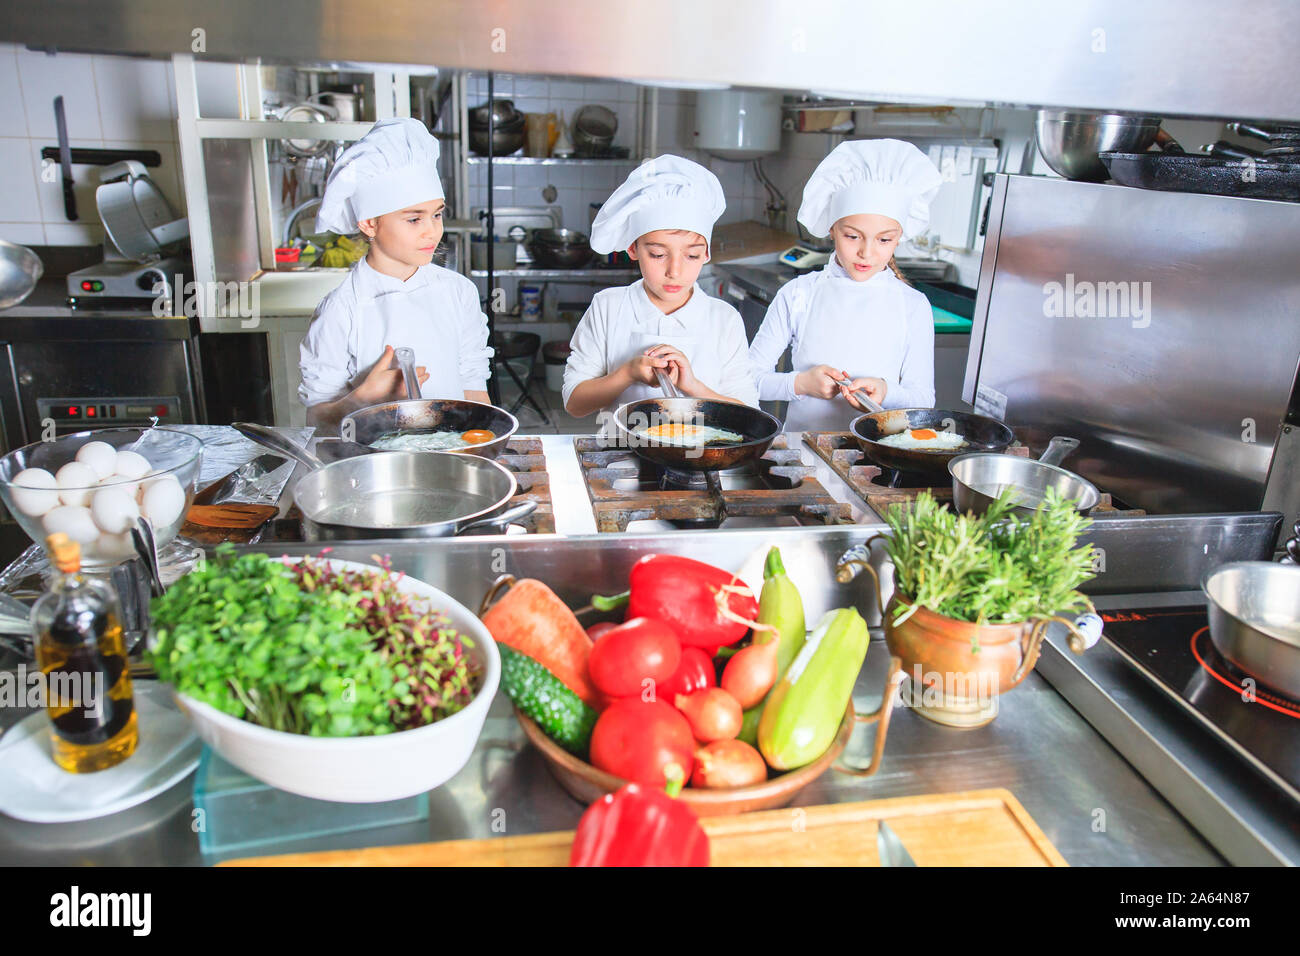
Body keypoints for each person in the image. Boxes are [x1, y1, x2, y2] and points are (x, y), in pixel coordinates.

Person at [299, 118, 493, 430]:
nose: (432, 232)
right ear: (369, 223)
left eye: (437, 214)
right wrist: (361, 399)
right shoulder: (340, 310)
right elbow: (316, 419)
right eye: (414, 219)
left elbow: (473, 383)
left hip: (451, 454)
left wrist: (482, 446)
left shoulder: (459, 292)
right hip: (374, 463)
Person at [748, 139, 942, 432]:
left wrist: (885, 390)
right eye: (852, 236)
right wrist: (800, 383)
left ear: (900, 236)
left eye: (884, 240)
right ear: (832, 228)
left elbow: (923, 400)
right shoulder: (798, 294)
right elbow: (747, 378)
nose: (866, 252)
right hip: (801, 457)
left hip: (876, 461)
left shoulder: (912, 305)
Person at [562, 155, 759, 421]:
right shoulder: (608, 306)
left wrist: (692, 386)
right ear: (633, 249)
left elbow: (748, 415)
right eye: (657, 254)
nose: (674, 271)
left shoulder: (724, 319)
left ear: (707, 253)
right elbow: (575, 404)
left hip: (702, 459)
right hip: (621, 454)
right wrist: (627, 374)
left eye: (691, 256)